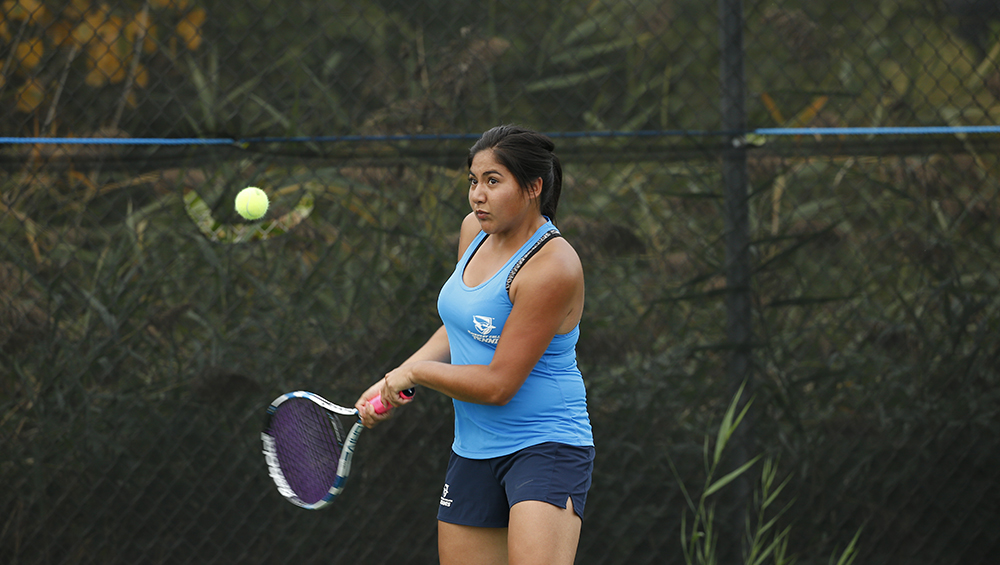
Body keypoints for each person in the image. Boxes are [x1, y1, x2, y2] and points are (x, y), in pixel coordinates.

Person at [355, 125, 595, 565]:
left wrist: (416, 374)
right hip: (472, 448)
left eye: (492, 181)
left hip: (545, 446)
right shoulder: (474, 232)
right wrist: (387, 381)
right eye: (473, 180)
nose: (477, 195)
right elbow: (460, 327)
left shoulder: (552, 266)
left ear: (533, 187)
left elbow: (498, 385)